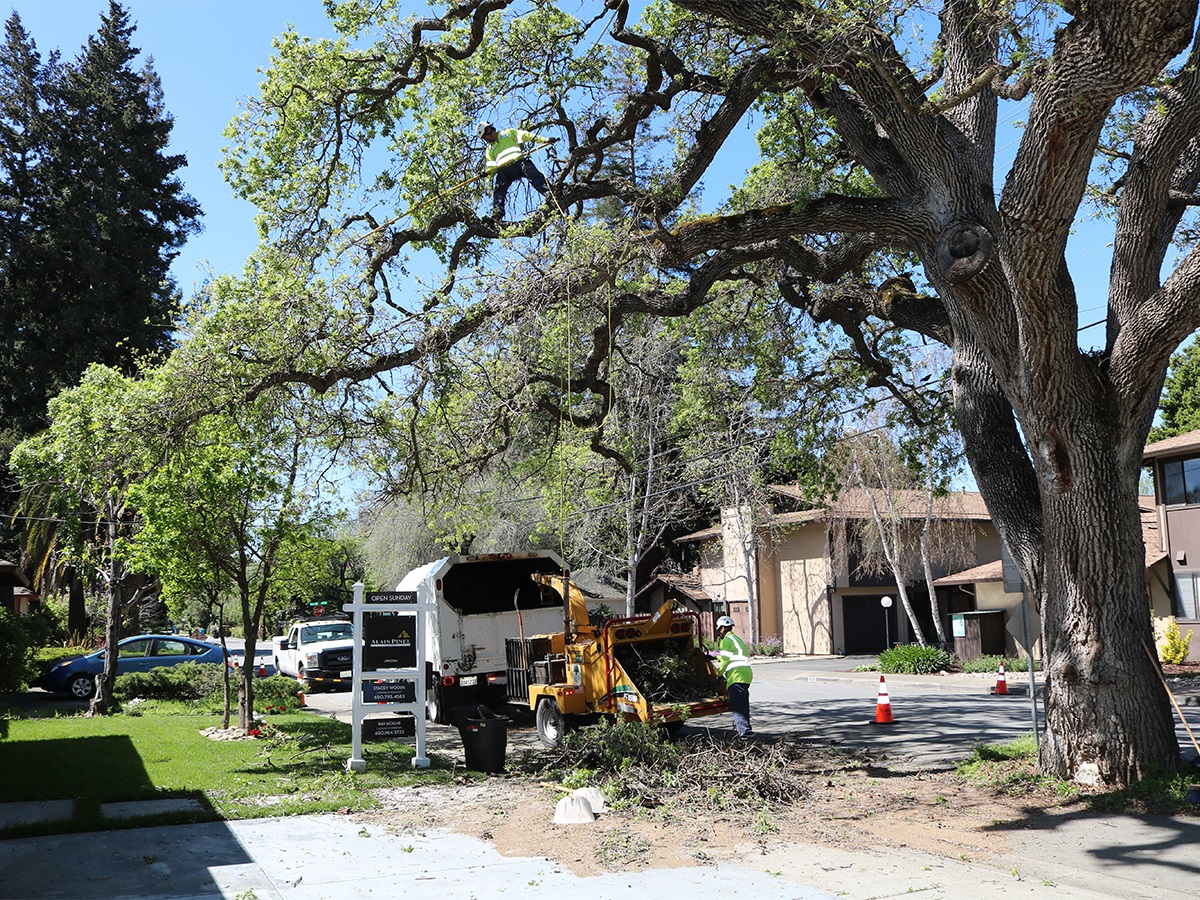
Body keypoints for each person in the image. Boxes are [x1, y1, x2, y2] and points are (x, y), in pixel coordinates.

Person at [477, 121, 556, 219]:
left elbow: (525, 135)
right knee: (499, 189)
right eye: (484, 138)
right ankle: (497, 214)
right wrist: (486, 174)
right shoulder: (490, 149)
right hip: (504, 170)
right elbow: (491, 166)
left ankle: (550, 193)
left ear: (489, 129)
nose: (487, 139)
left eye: (486, 135)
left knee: (533, 174)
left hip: (519, 163)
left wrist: (545, 140)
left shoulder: (507, 133)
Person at [715, 615, 755, 740]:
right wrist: (716, 656)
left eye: (719, 630)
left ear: (722, 628)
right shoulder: (736, 639)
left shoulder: (725, 641)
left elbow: (725, 661)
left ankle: (745, 736)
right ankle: (747, 732)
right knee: (743, 705)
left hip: (736, 675)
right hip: (746, 674)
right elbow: (734, 656)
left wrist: (718, 675)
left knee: (738, 707)